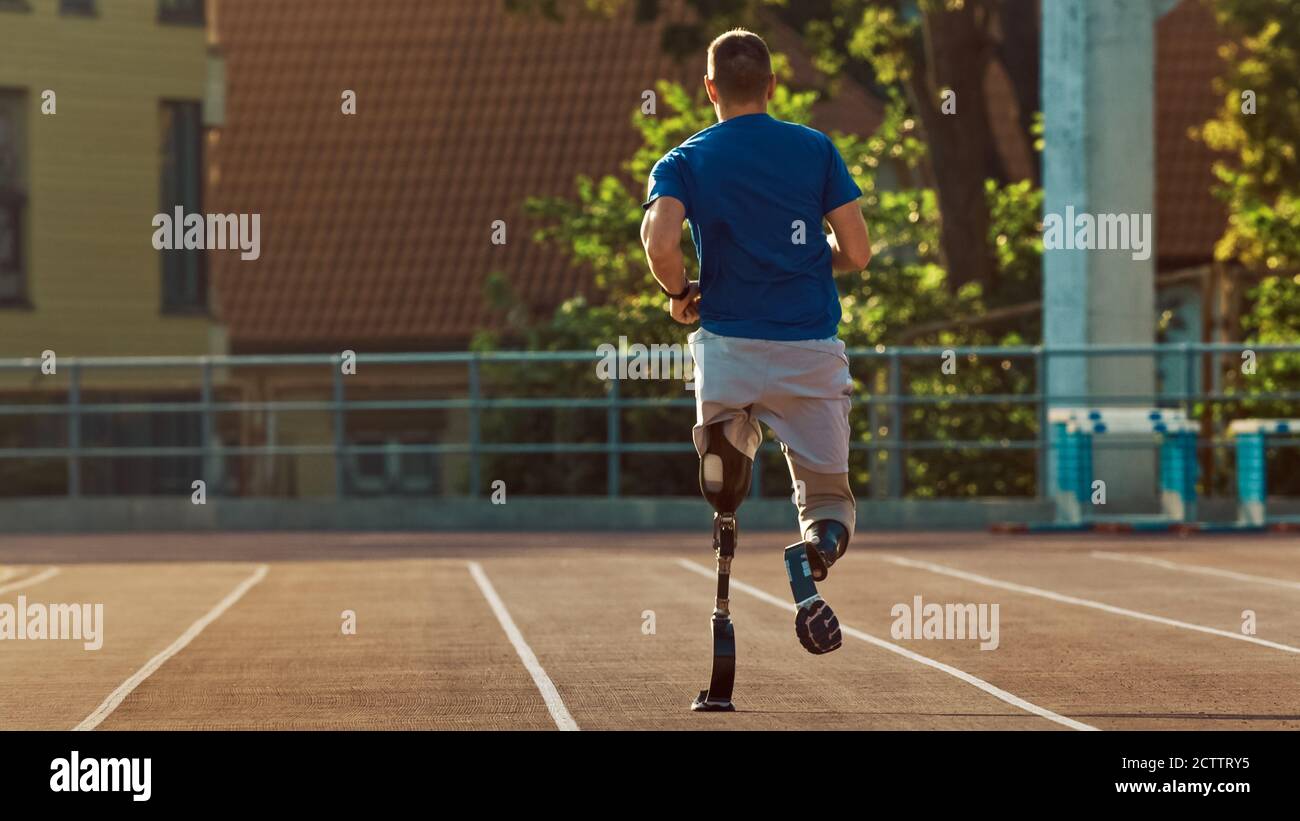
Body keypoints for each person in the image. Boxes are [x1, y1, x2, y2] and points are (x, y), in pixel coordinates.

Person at [640, 28, 871, 655]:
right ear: (772, 85)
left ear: (709, 88)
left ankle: (725, 480)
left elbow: (659, 243)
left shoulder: (686, 159)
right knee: (828, 499)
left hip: (728, 349)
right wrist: (814, 260)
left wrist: (680, 290)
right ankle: (815, 554)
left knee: (724, 473)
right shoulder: (815, 149)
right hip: (809, 348)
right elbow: (857, 251)